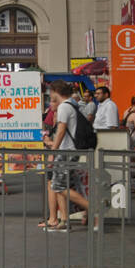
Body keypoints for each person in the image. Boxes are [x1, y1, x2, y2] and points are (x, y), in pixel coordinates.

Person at [41, 80, 86, 230]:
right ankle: (64, 220)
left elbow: (60, 131)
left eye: (52, 94)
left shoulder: (64, 107)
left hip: (66, 151)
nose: (51, 97)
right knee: (60, 184)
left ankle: (92, 208)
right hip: (68, 150)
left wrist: (53, 151)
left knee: (59, 187)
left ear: (56, 92)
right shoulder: (71, 105)